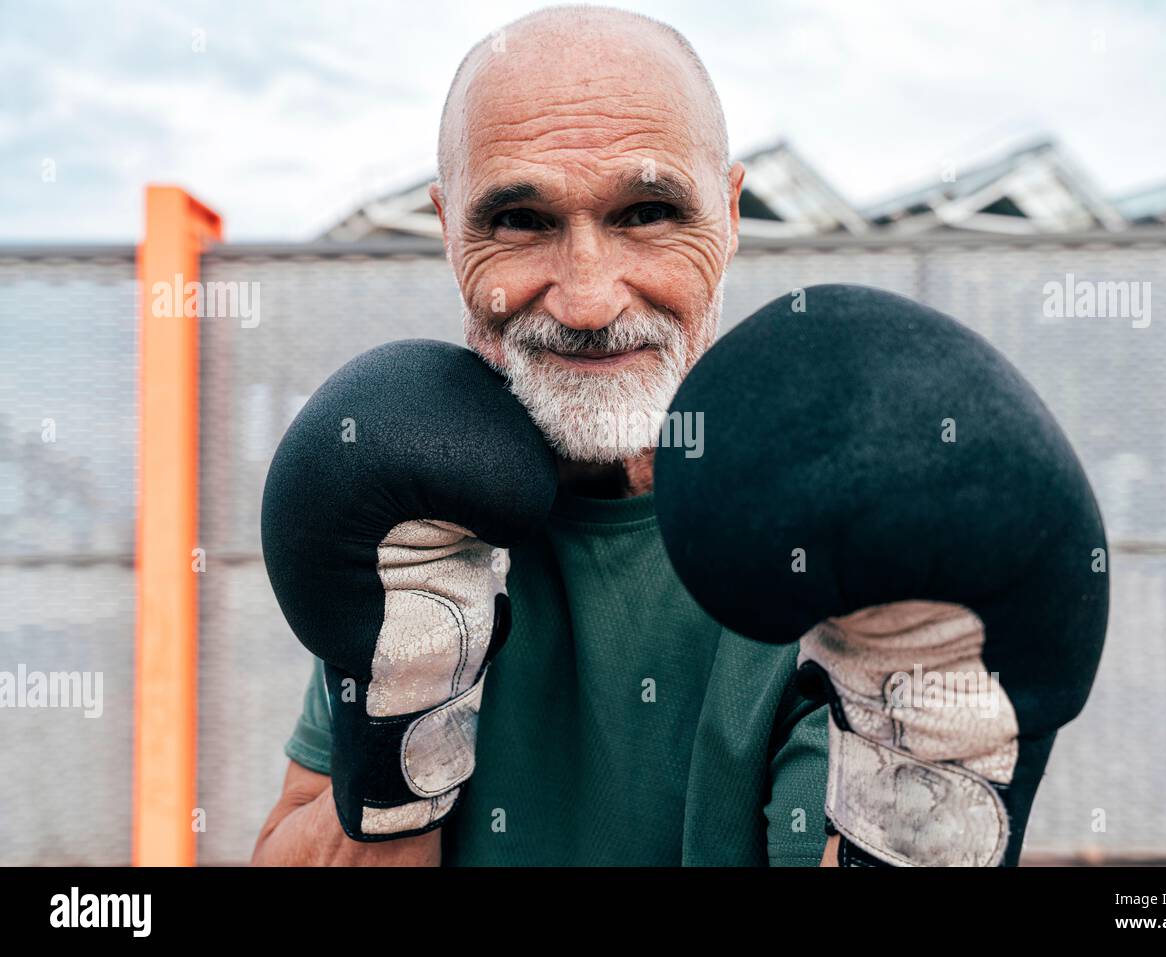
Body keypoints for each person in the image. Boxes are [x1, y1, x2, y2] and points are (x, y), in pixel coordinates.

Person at [253, 4, 834, 867]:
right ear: (450, 230)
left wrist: (914, 807)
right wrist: (407, 727)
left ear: (732, 214)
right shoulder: (411, 514)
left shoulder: (817, 542)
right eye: (521, 221)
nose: (590, 301)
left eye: (647, 211)